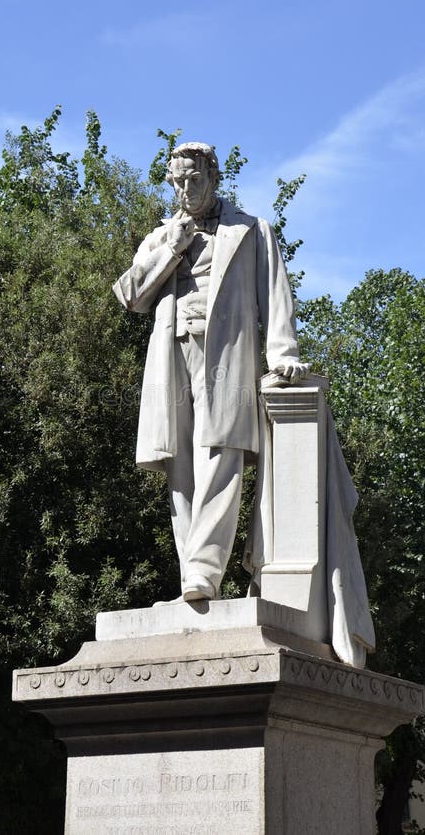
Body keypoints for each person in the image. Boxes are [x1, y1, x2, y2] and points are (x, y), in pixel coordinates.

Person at [113, 142, 308, 603]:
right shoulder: (163, 234)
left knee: (222, 455)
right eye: (178, 182)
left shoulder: (252, 230)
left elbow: (275, 295)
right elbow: (129, 296)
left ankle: (204, 569)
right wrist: (170, 251)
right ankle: (192, 574)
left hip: (227, 353)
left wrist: (281, 351)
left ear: (213, 177)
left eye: (194, 179)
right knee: (180, 465)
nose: (186, 189)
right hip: (171, 353)